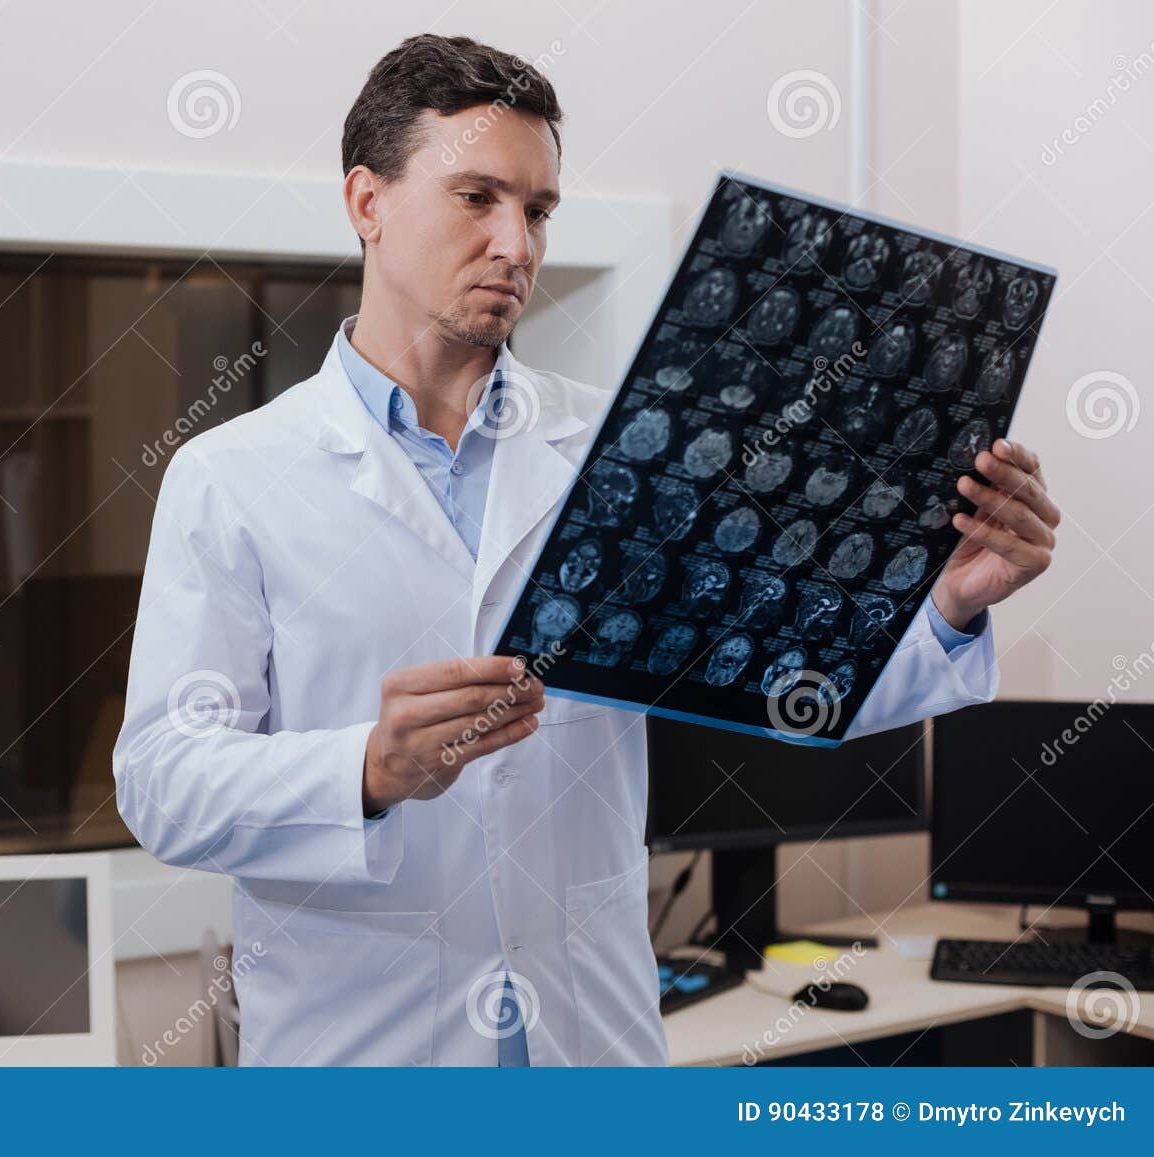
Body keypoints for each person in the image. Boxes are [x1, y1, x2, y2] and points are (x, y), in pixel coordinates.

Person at [113, 34, 1060, 1066]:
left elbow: (790, 687)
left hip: (587, 1044)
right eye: (477, 197)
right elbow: (165, 783)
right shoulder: (233, 475)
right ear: (366, 202)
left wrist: (950, 607)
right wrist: (366, 768)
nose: (516, 244)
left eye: (537, 209)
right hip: (364, 1054)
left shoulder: (627, 452)